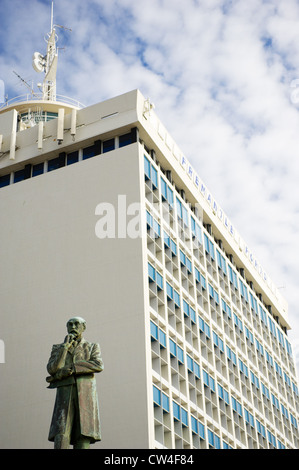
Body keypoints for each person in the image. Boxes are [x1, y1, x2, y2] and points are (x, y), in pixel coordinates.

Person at [46, 317, 104, 449]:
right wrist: (64, 348)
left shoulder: (91, 346)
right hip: (64, 393)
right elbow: (52, 369)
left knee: (83, 434)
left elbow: (98, 364)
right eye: (70, 324)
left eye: (76, 324)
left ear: (84, 327)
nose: (73, 327)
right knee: (61, 434)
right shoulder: (57, 348)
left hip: (85, 393)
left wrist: (73, 368)